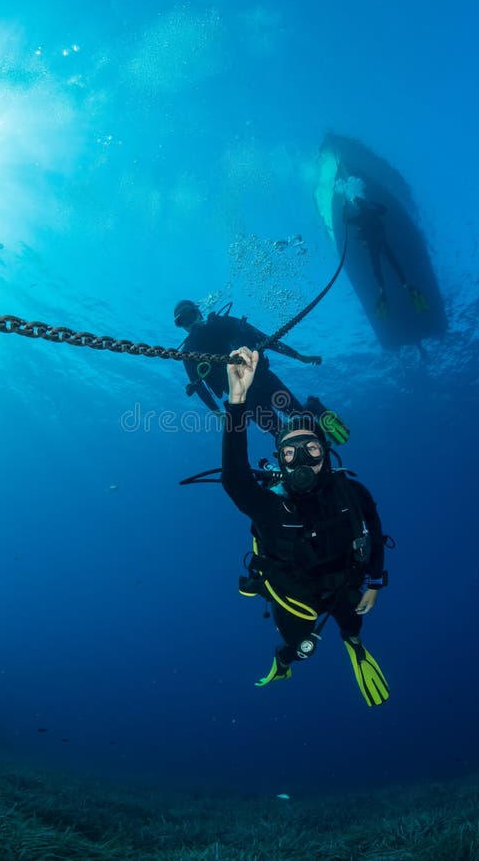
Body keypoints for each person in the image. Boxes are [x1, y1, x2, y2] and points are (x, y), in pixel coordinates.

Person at [221, 346, 390, 706]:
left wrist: (375, 583)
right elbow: (235, 479)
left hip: (344, 584)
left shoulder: (352, 492)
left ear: (326, 454)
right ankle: (283, 661)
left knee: (353, 624)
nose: (301, 460)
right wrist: (237, 400)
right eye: (289, 453)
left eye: (311, 450)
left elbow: (373, 532)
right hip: (294, 597)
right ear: (280, 461)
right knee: (301, 648)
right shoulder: (268, 507)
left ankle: (355, 647)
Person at [174, 300, 348, 441]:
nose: (189, 322)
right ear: (180, 325)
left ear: (199, 312)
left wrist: (298, 356)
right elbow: (198, 387)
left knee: (300, 418)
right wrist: (217, 412)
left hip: (264, 380)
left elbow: (265, 339)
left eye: (191, 315)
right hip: (244, 398)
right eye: (183, 320)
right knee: (281, 435)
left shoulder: (224, 323)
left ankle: (313, 406)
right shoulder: (189, 352)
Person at [346, 197, 429, 319]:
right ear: (364, 204)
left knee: (377, 269)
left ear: (358, 206)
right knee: (394, 264)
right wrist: (372, 202)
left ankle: (382, 290)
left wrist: (344, 208)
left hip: (372, 246)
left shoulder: (359, 218)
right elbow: (385, 209)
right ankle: (406, 285)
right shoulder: (372, 211)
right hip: (382, 242)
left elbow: (346, 221)